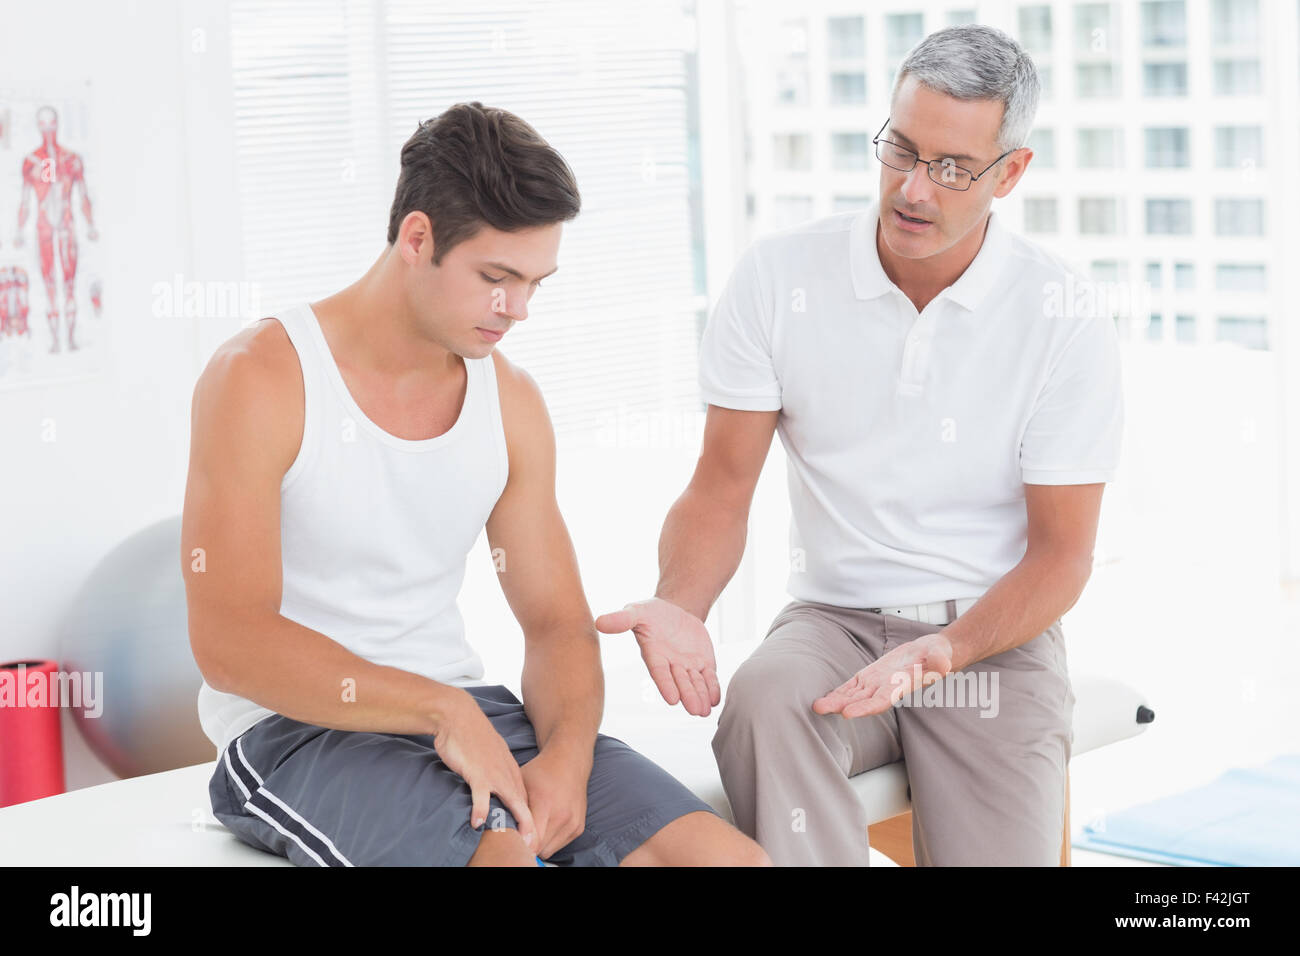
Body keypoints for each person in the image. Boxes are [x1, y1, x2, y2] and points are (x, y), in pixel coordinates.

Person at [183, 101, 769, 867]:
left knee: (732, 862)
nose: (518, 310)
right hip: (295, 732)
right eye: (497, 278)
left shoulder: (509, 400)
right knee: (503, 861)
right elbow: (230, 641)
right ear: (417, 237)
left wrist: (567, 757)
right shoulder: (260, 379)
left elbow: (556, 624)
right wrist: (439, 709)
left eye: (535, 283)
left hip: (464, 711)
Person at [597, 24, 1124, 866]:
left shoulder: (1059, 314)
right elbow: (719, 489)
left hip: (989, 640)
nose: (914, 189)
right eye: (900, 151)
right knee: (764, 699)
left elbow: (1062, 558)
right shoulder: (779, 279)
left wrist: (944, 650)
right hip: (834, 624)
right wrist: (679, 606)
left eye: (953, 168)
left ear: (1011, 172)